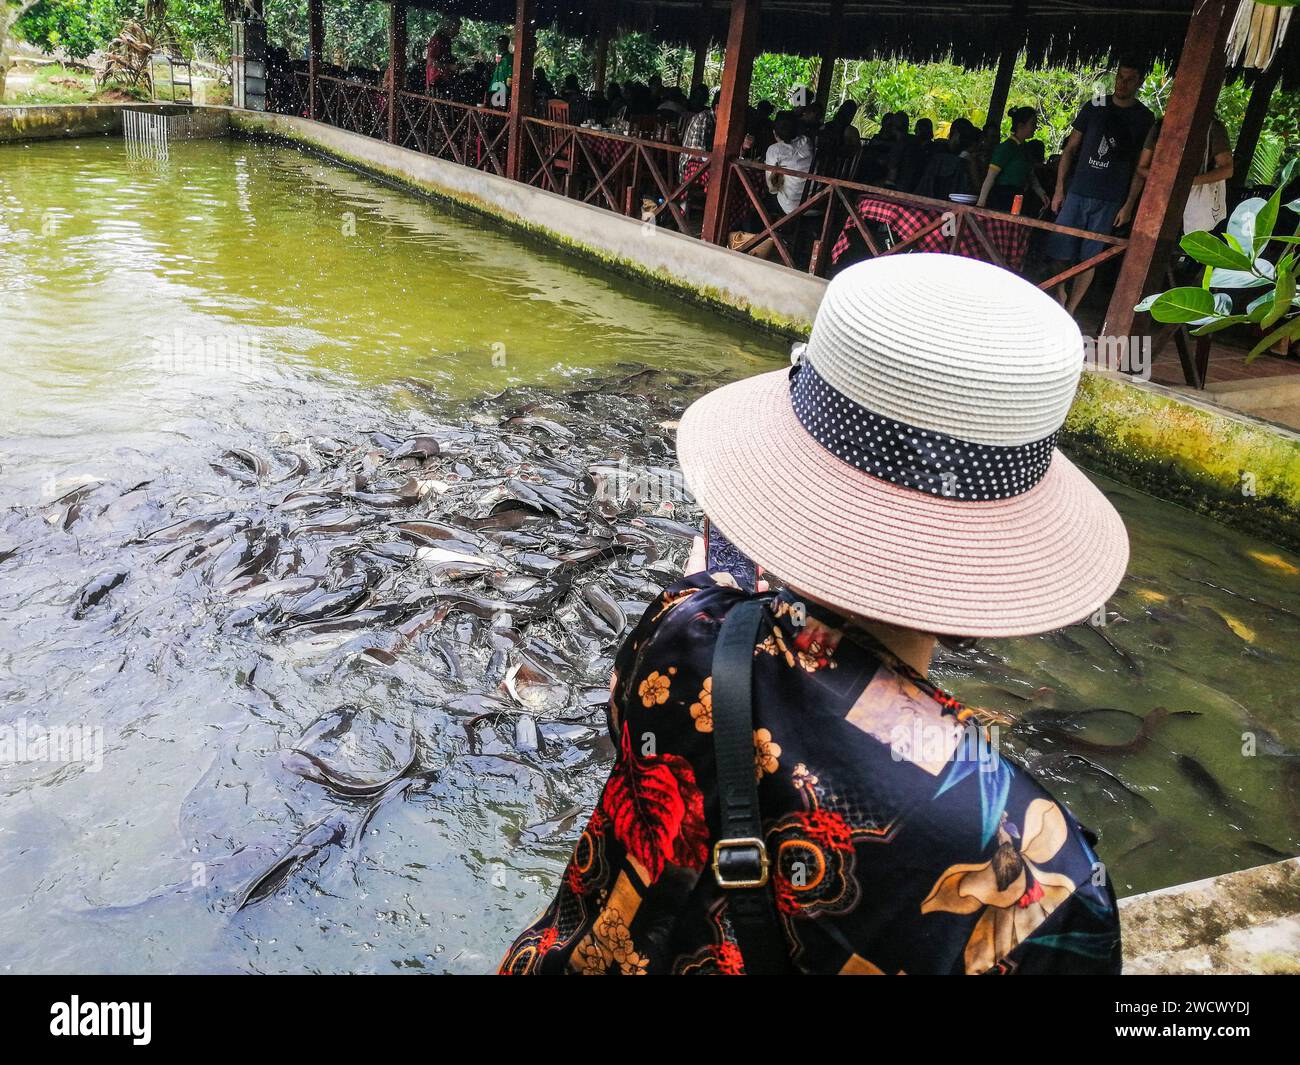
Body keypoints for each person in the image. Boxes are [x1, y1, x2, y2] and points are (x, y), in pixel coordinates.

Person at [498, 255, 1127, 976]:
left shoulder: (679, 627)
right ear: (976, 606)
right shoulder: (1043, 869)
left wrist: (730, 595)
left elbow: (649, 711)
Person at [1045, 56, 1155, 314]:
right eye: (1120, 77)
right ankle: (1060, 293)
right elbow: (1070, 149)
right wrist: (1060, 189)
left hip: (1111, 198)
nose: (1122, 84)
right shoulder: (1094, 106)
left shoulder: (1144, 117)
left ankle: (1071, 309)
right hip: (1077, 191)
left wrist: (1128, 205)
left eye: (1129, 80)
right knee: (1058, 250)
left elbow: (1142, 168)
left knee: (1090, 258)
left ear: (1139, 82)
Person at [1120, 114, 1232, 236]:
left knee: (1184, 246)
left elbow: (1227, 170)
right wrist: (1167, 180)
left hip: (1194, 202)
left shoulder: (1213, 128)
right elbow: (1141, 168)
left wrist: (1187, 182)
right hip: (1159, 204)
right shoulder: (1160, 126)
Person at [978, 106, 1050, 212]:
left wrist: (1041, 193)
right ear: (1021, 126)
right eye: (1033, 124)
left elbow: (1030, 174)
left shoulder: (1025, 148)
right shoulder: (1006, 148)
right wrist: (980, 205)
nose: (1035, 127)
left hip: (1018, 197)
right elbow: (990, 177)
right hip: (1001, 198)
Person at [764, 112, 815, 214]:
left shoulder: (774, 150)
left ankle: (772, 228)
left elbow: (772, 188)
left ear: (774, 132)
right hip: (815, 203)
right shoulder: (807, 141)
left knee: (761, 202)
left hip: (792, 207)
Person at [680, 90, 718, 181]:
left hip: (706, 165)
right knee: (718, 176)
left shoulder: (719, 124)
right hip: (690, 169)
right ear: (717, 107)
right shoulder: (704, 119)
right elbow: (697, 153)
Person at [424, 16, 459, 95]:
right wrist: (450, 66)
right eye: (457, 29)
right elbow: (431, 61)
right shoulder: (437, 39)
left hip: (444, 79)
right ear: (449, 27)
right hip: (436, 80)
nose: (457, 32)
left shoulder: (447, 40)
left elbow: (442, 58)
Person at [487, 34, 512, 108]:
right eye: (497, 44)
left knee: (499, 114)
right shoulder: (499, 57)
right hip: (494, 88)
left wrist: (509, 82)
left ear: (505, 44)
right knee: (493, 112)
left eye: (499, 43)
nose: (498, 46)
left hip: (502, 89)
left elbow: (510, 73)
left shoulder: (509, 58)